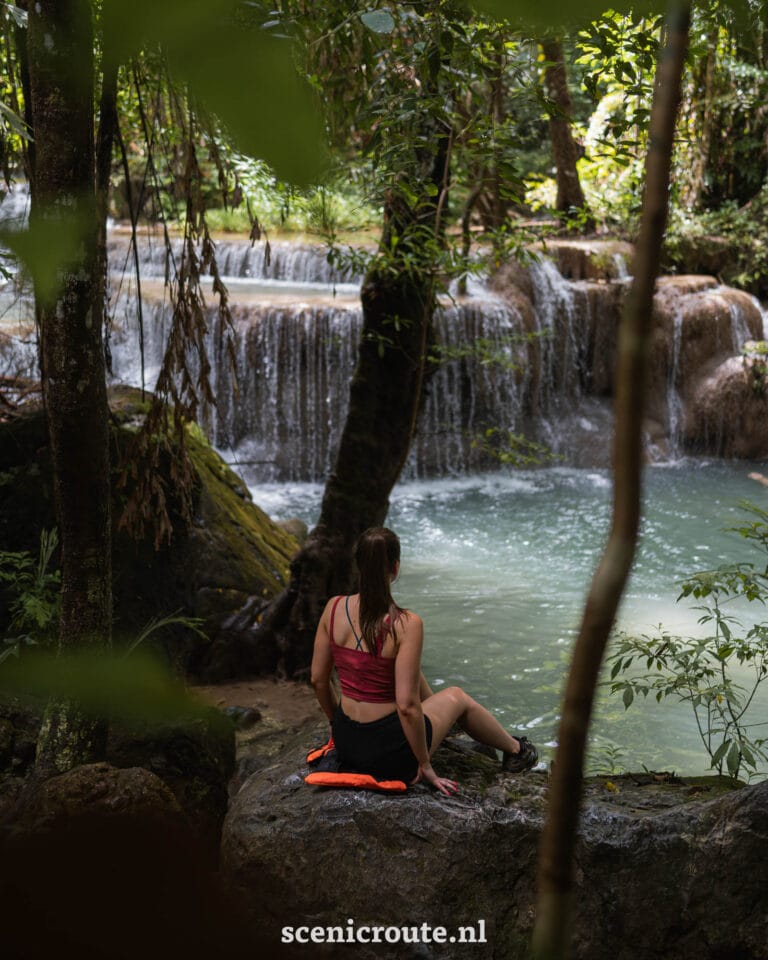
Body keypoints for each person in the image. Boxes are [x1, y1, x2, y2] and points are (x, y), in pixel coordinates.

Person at [310, 526, 538, 796]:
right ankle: (518, 751)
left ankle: (442, 719)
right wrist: (425, 763)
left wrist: (337, 726)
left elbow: (318, 680)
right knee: (457, 696)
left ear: (358, 564)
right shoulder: (407, 623)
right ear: (395, 568)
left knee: (405, 669)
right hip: (390, 753)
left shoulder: (333, 608)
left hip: (347, 743)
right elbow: (407, 706)